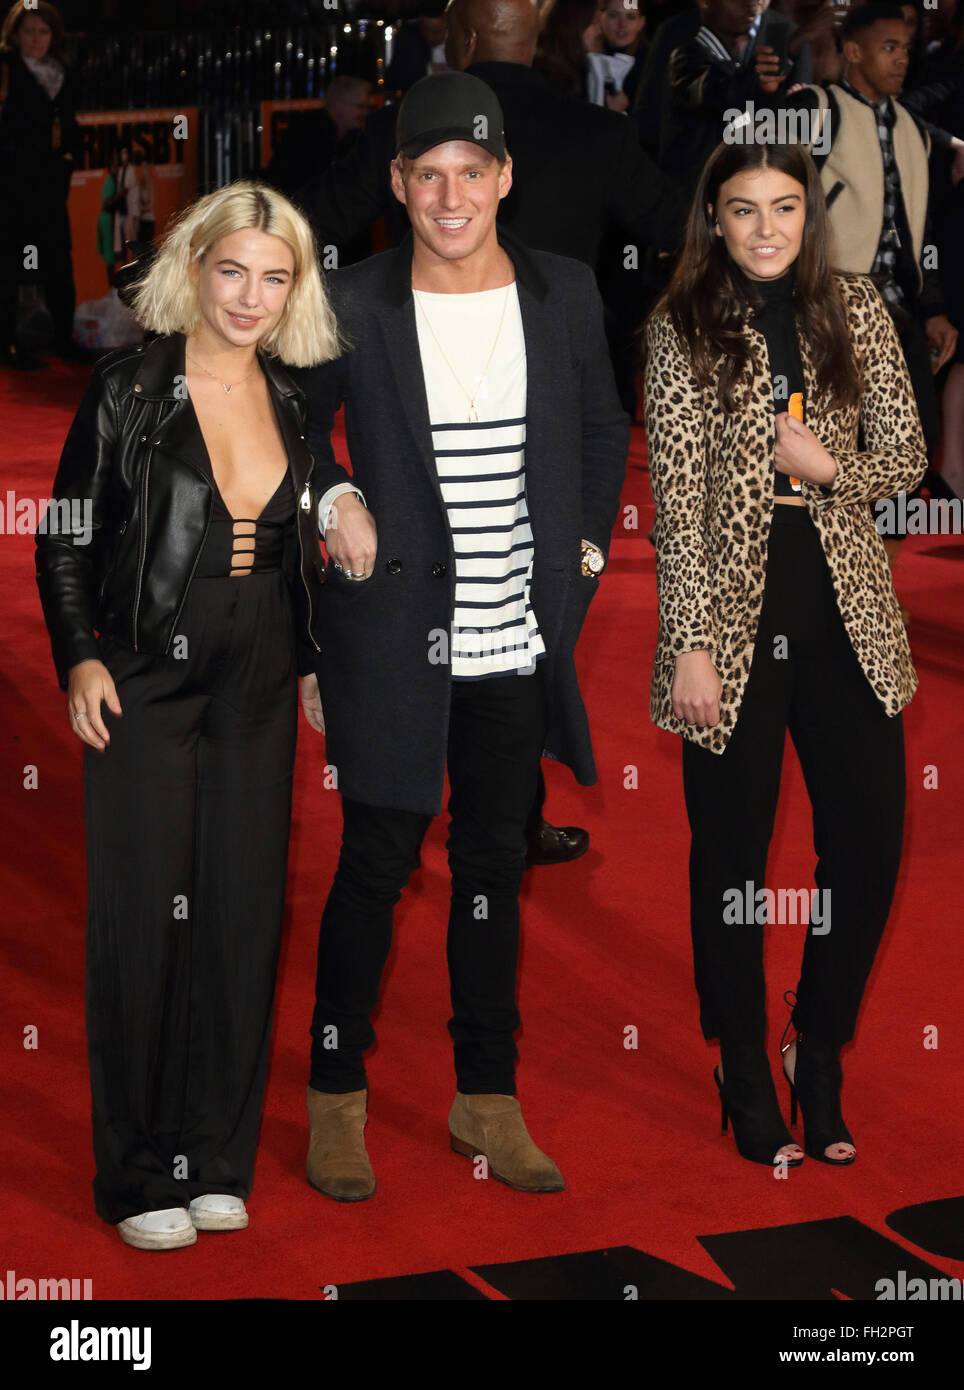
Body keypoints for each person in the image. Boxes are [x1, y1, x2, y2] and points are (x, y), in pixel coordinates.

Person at [294, 71, 628, 1201]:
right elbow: (294, 431)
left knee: (492, 866)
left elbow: (602, 429)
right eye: (427, 174)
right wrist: (336, 497)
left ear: (504, 177)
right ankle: (334, 1091)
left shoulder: (565, 292)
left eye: (470, 173)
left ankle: (485, 1096)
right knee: (376, 865)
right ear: (397, 183)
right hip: (393, 636)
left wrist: (582, 564)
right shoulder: (353, 299)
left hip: (516, 641)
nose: (450, 196)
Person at [34, 181, 338, 1249]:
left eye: (274, 277)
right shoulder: (128, 387)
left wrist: (310, 664)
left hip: (259, 671)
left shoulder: (291, 395)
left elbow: (298, 550)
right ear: (193, 268)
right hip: (145, 671)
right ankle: (135, 1173)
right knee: (142, 919)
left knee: (242, 916)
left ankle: (213, 1157)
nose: (250, 296)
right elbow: (66, 533)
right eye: (232, 270)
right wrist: (79, 655)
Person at [644, 140, 926, 1168]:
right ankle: (742, 1063)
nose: (765, 228)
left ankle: (817, 1044)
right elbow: (677, 505)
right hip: (728, 624)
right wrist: (689, 646)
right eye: (742, 208)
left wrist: (827, 467)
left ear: (810, 215)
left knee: (870, 841)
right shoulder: (680, 325)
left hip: (846, 610)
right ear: (712, 219)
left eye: (784, 207)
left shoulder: (855, 308)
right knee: (731, 857)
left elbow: (908, 456)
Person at [0, 0, 82, 367]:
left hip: (50, 190)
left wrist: (68, 159)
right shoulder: (6, 70)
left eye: (44, 31)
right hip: (11, 189)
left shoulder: (61, 72)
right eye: (29, 31)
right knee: (10, 266)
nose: (36, 39)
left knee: (59, 263)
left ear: (54, 35)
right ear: (15, 35)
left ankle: (64, 340)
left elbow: (70, 125)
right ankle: (8, 345)